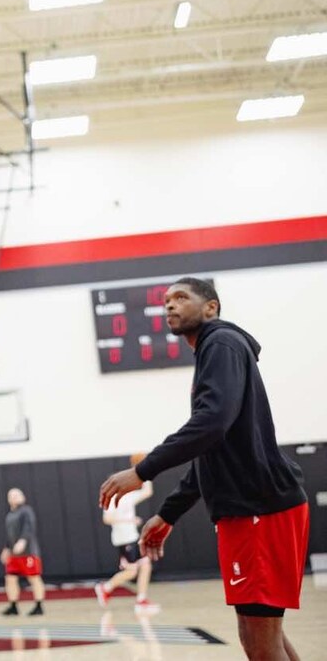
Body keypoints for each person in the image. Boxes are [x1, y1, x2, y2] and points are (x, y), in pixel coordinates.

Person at [100, 278, 308, 661]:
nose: (170, 306)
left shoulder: (221, 343)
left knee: (260, 643)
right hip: (254, 507)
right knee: (264, 637)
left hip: (260, 508)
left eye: (181, 298)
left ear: (211, 307)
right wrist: (168, 513)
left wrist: (143, 471)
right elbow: (214, 449)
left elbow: (211, 424)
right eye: (165, 301)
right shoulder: (216, 351)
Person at [95, 471, 159, 615]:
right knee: (131, 571)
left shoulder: (129, 496)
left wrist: (146, 468)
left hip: (133, 537)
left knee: (146, 565)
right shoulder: (111, 500)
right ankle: (105, 588)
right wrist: (129, 520)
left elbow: (147, 491)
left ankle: (141, 600)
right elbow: (107, 519)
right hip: (123, 539)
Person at [0, 489, 45, 617]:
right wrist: (6, 549)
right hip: (14, 555)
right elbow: (9, 536)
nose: (15, 497)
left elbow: (29, 527)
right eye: (12, 496)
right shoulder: (9, 515)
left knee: (34, 578)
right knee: (10, 579)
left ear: (23, 497)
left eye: (17, 495)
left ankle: (39, 605)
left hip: (28, 553)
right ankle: (13, 606)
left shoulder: (26, 511)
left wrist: (23, 541)